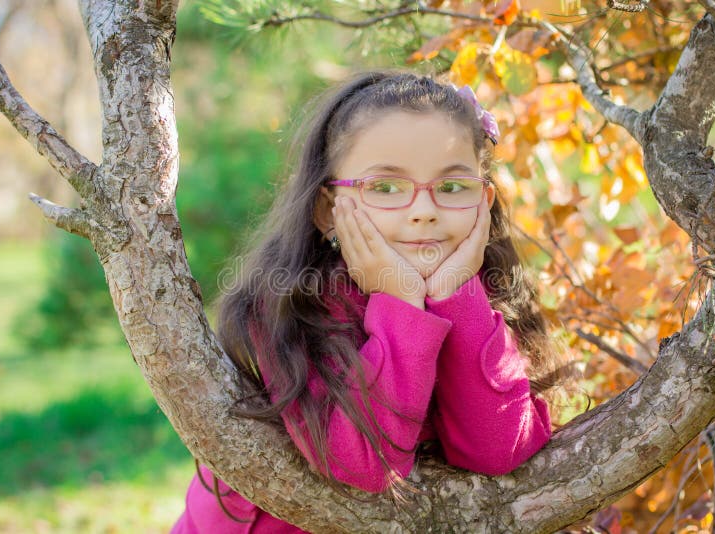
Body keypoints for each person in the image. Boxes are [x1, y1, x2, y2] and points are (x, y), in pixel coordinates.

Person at [170, 70, 563, 533]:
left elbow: (500, 450)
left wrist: (456, 295)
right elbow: (364, 467)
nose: (424, 210)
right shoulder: (290, 306)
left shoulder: (483, 294)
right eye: (386, 187)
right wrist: (399, 302)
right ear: (327, 210)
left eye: (453, 187)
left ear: (484, 201)